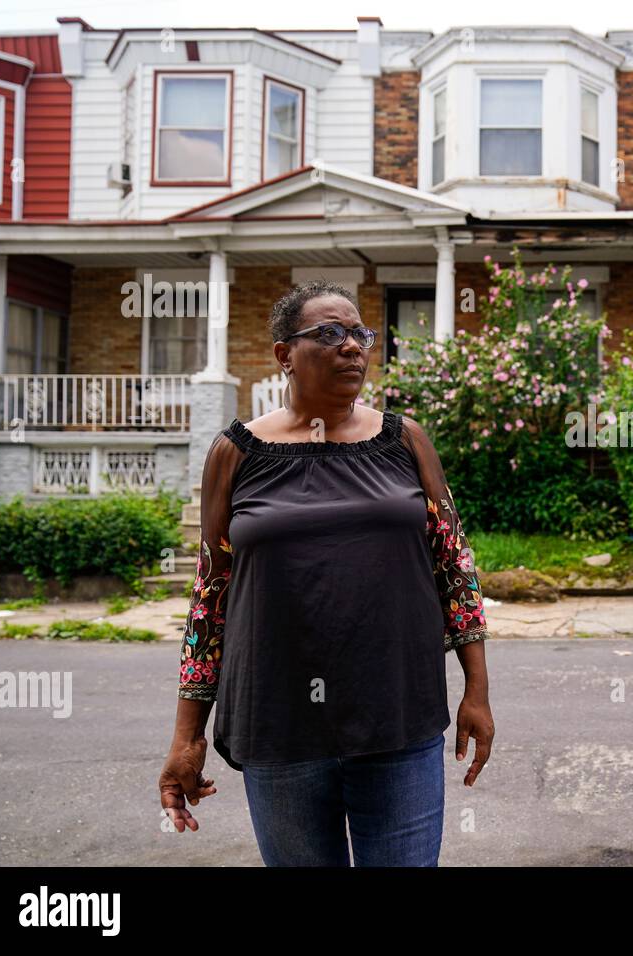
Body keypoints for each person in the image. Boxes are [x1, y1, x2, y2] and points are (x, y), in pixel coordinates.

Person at [157, 278, 493, 866]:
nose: (352, 347)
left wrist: (477, 690)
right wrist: (187, 736)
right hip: (279, 726)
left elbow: (454, 566)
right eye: (329, 334)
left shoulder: (404, 440)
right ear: (284, 354)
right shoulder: (236, 453)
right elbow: (210, 596)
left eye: (359, 334)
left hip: (398, 716)